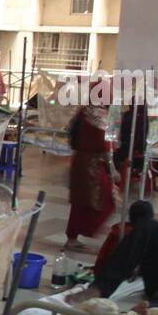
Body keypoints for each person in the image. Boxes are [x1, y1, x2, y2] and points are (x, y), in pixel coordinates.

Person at [63, 89, 116, 252]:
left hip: (79, 160)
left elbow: (70, 131)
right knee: (106, 197)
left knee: (79, 201)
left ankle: (72, 237)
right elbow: (104, 145)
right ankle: (83, 231)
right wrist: (112, 167)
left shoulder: (84, 110)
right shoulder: (99, 115)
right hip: (92, 164)